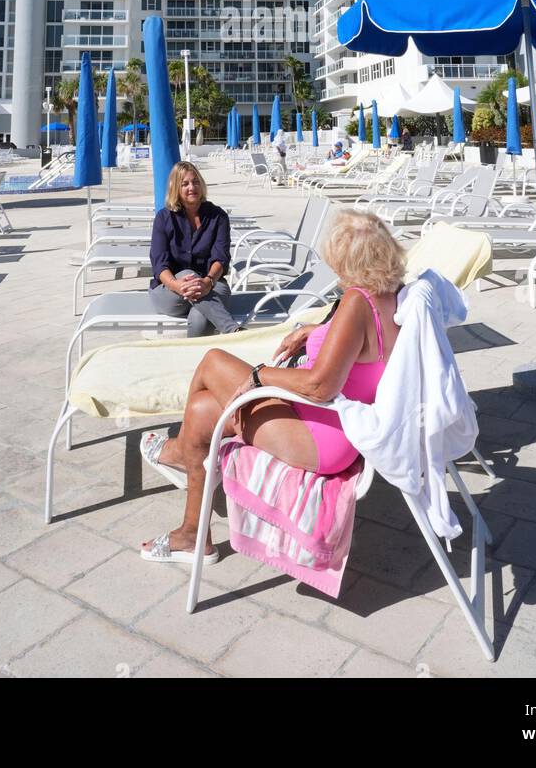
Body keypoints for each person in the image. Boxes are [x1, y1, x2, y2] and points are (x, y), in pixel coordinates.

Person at [139, 210, 405, 564]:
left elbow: (318, 385)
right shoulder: (390, 295)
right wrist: (317, 332)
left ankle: (179, 453)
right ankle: (193, 535)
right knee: (203, 410)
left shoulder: (358, 301)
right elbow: (363, 348)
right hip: (331, 423)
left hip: (322, 432)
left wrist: (262, 375)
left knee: (213, 360)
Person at [148, 162, 241, 337]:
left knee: (201, 316)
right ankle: (234, 331)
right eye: (185, 184)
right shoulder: (164, 218)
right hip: (169, 291)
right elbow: (159, 264)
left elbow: (221, 258)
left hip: (213, 284)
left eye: (196, 182)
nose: (192, 187)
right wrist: (177, 284)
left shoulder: (218, 216)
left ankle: (196, 361)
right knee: (187, 273)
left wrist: (208, 282)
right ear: (176, 188)